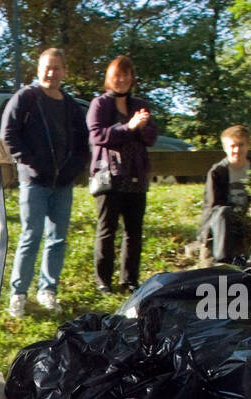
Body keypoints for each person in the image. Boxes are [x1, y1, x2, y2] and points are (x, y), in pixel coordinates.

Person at [0, 48, 90, 317]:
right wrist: (32, 163)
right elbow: (9, 136)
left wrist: (71, 170)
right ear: (38, 70)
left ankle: (48, 290)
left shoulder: (70, 104)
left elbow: (82, 144)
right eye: (47, 67)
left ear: (64, 71)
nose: (52, 73)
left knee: (58, 239)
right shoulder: (26, 98)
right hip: (34, 182)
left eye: (57, 68)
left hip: (62, 184)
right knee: (31, 236)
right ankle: (18, 293)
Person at [86, 55, 157, 293]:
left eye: (127, 75)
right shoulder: (99, 104)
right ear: (109, 78)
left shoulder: (140, 104)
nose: (122, 80)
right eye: (117, 75)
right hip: (109, 177)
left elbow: (152, 138)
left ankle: (130, 280)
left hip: (136, 176)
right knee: (107, 230)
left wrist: (142, 126)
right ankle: (103, 281)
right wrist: (129, 127)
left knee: (134, 231)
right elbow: (98, 136)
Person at [196, 125, 251, 264]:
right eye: (232, 146)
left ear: (248, 145)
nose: (237, 150)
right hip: (225, 220)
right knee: (223, 212)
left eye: (241, 145)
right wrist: (203, 235)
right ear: (225, 147)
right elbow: (212, 206)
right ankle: (223, 262)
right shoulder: (218, 172)